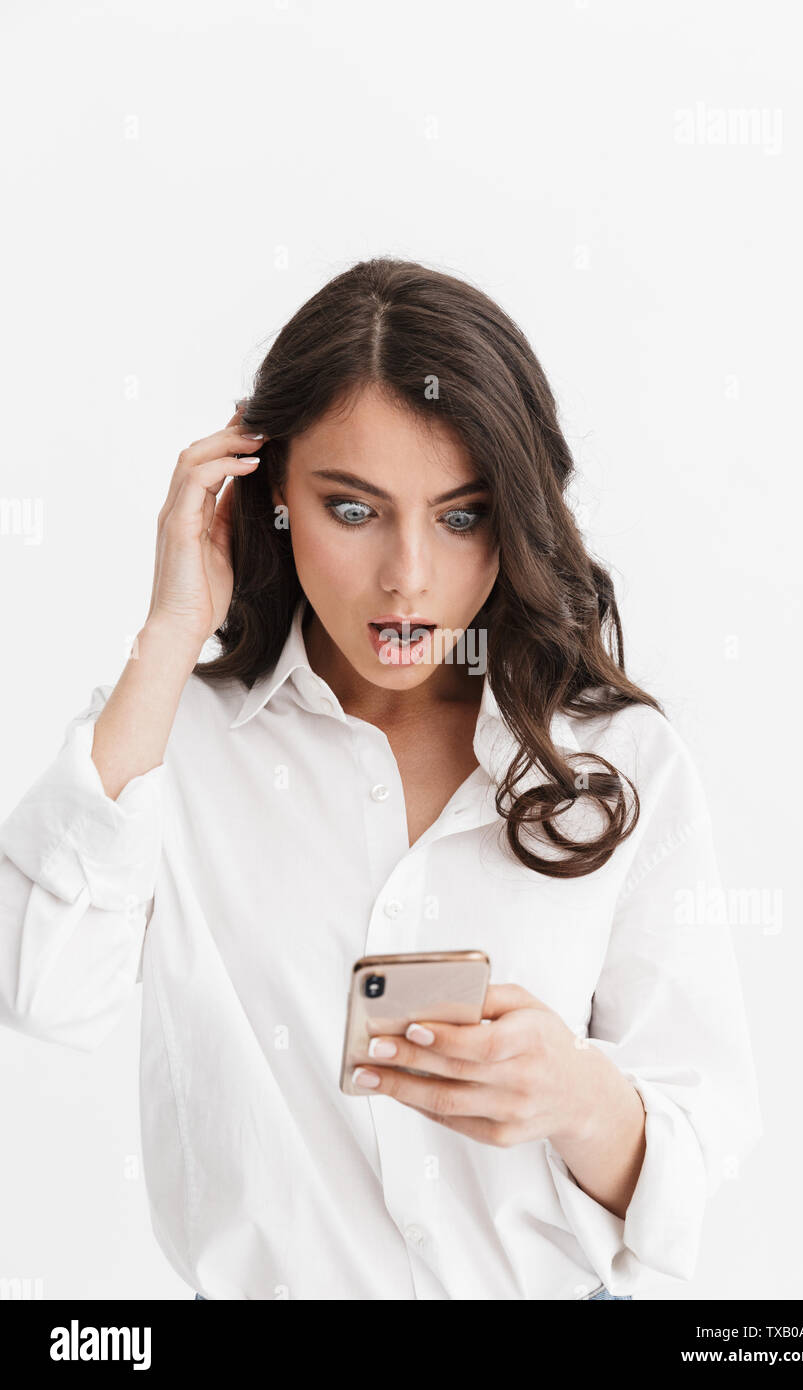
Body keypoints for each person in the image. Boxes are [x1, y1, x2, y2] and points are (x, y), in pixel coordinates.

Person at [0, 257, 761, 1301]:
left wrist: (576, 1095)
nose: (407, 574)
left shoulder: (616, 763)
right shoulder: (176, 740)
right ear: (262, 496)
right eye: (352, 510)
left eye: (459, 516)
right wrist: (171, 630)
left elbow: (696, 1150)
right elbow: (42, 989)